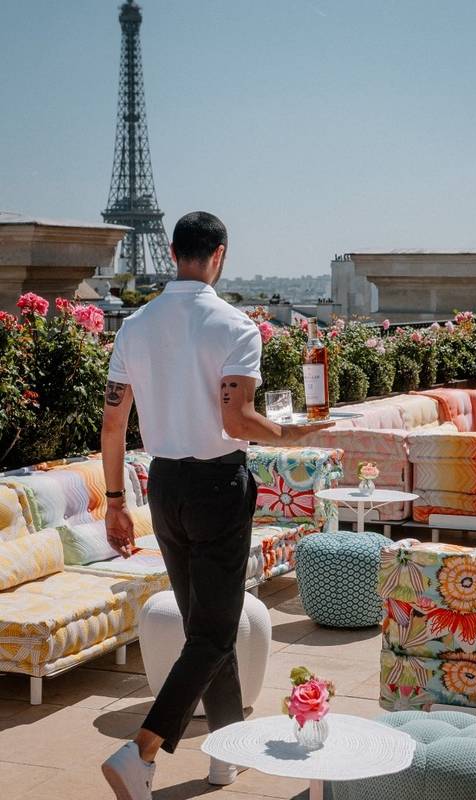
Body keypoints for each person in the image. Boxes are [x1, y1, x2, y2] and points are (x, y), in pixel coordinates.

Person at [99, 212, 333, 799]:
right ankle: (141, 750)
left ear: (173, 252)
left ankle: (228, 751)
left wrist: (114, 502)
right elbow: (238, 420)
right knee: (211, 633)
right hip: (218, 488)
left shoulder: (134, 327)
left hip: (163, 486)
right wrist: (295, 433)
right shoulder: (236, 327)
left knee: (210, 627)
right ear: (220, 256)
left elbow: (112, 424)